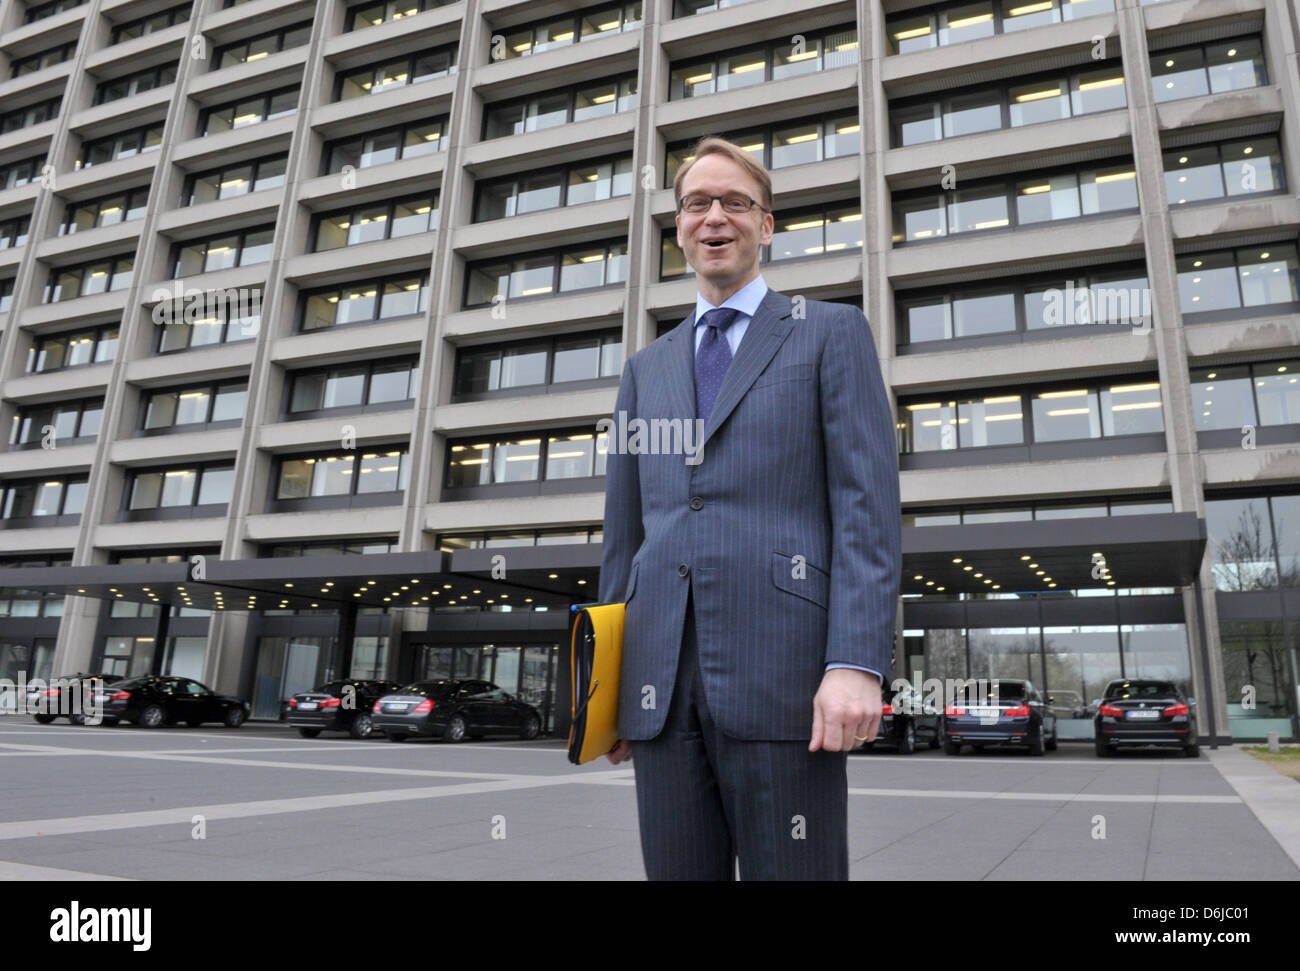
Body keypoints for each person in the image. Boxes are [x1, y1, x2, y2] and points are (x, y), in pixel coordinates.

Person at [597, 136, 901, 880]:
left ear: (766, 226)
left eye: (736, 202)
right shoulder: (645, 370)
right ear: (679, 229)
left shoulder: (831, 333)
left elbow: (867, 509)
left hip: (786, 678)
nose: (715, 217)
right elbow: (624, 533)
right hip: (657, 685)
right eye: (697, 203)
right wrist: (603, 687)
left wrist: (857, 659)